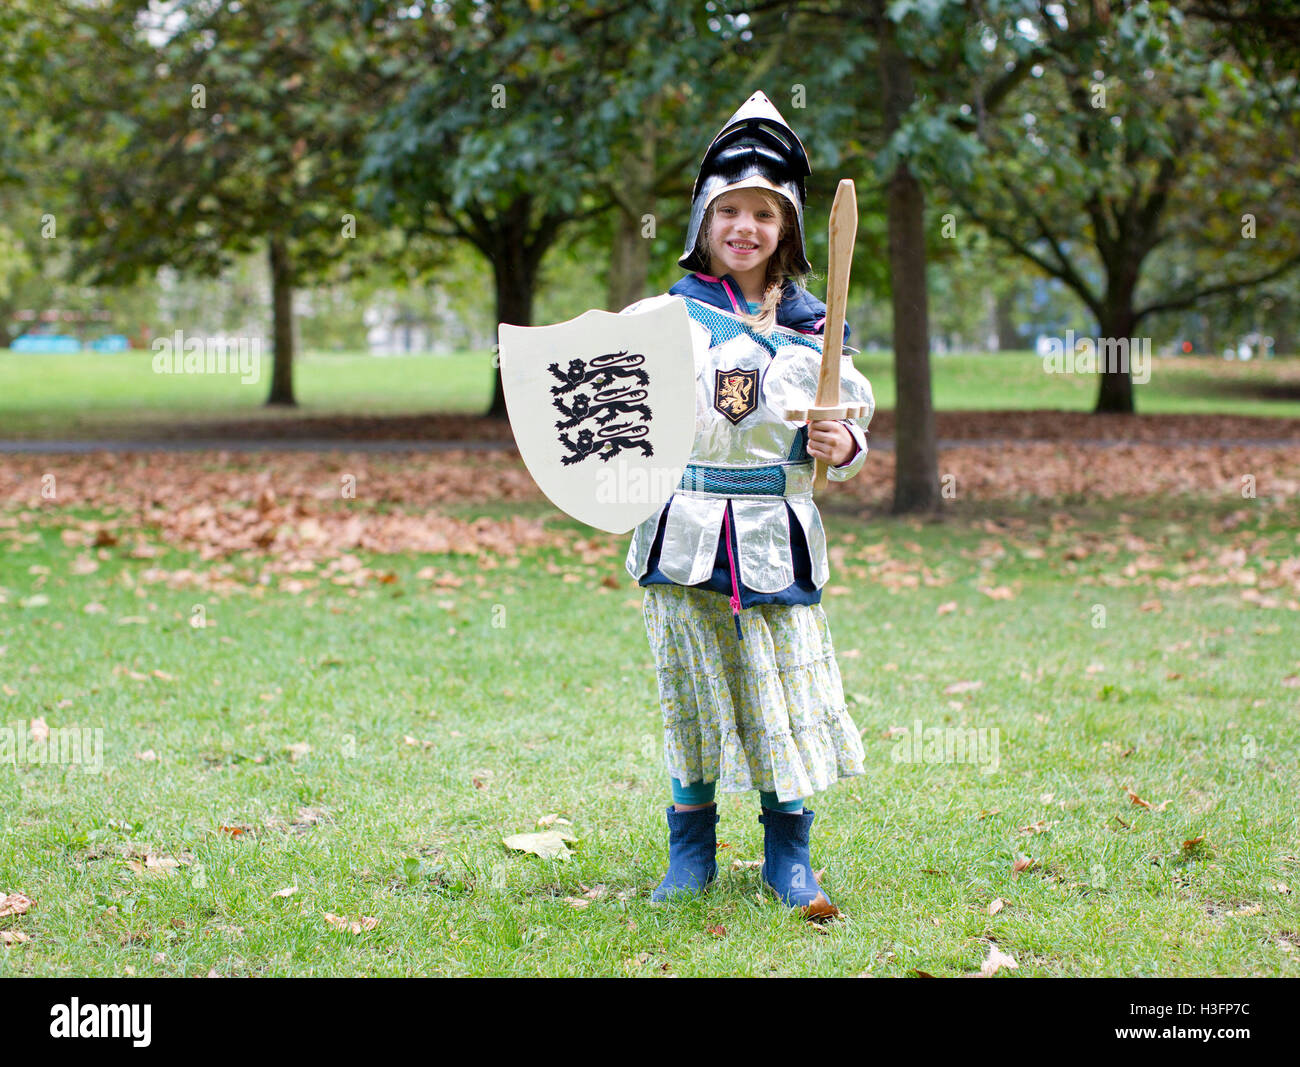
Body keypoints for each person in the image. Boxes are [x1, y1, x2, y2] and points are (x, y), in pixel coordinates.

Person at [620, 91, 874, 922]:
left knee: (782, 696)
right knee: (691, 692)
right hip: (683, 531)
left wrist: (843, 444)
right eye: (729, 209)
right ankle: (688, 850)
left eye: (763, 213)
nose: (745, 227)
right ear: (703, 221)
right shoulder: (662, 319)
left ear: (788, 230)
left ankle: (786, 855)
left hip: (775, 538)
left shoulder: (816, 332)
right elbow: (615, 406)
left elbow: (848, 419)